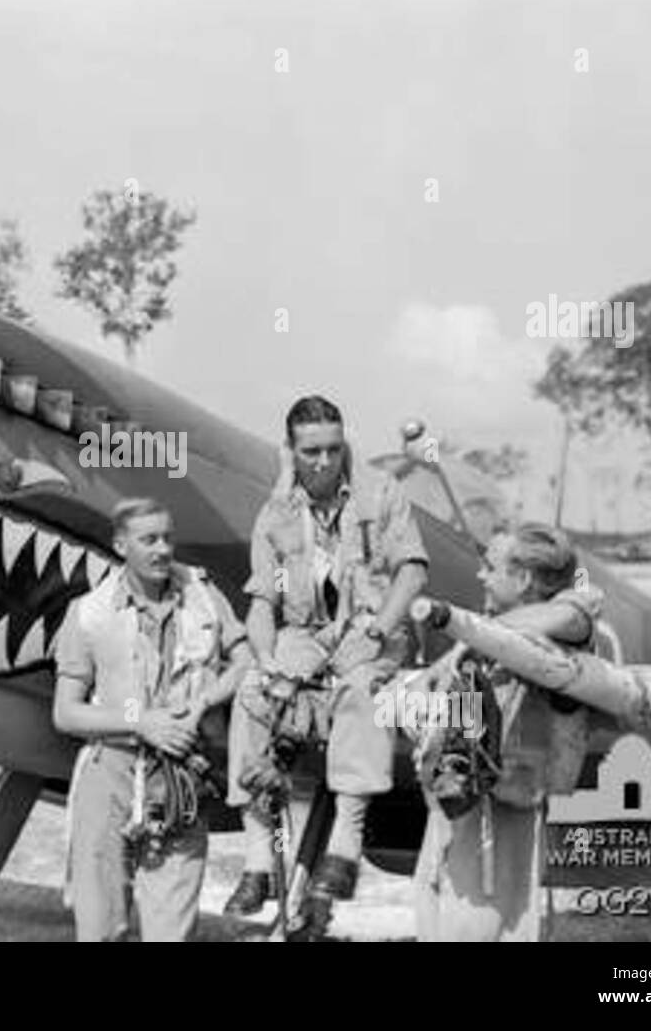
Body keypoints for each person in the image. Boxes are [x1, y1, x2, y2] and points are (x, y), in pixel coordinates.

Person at [224, 395, 429, 938]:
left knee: (362, 690)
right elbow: (263, 603)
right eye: (311, 450)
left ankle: (346, 839)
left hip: (370, 626)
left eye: (334, 449)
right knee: (251, 692)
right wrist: (268, 662)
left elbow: (411, 574)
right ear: (291, 451)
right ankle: (257, 859)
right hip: (302, 634)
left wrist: (380, 627)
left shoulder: (382, 493)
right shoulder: (276, 513)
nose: (324, 460)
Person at [52, 497, 254, 941]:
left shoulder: (204, 596)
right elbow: (66, 712)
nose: (163, 549)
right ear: (121, 545)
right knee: (101, 928)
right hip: (109, 777)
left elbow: (245, 663)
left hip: (181, 780)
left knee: (171, 932)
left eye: (168, 537)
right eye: (149, 540)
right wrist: (138, 721)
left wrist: (202, 703)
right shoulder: (87, 613)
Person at [411, 522, 603, 942]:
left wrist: (467, 639)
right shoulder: (490, 627)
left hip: (505, 806)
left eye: (491, 567)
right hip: (456, 799)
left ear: (523, 579)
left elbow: (566, 617)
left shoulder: (571, 619)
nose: (480, 575)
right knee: (435, 909)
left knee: (480, 923)